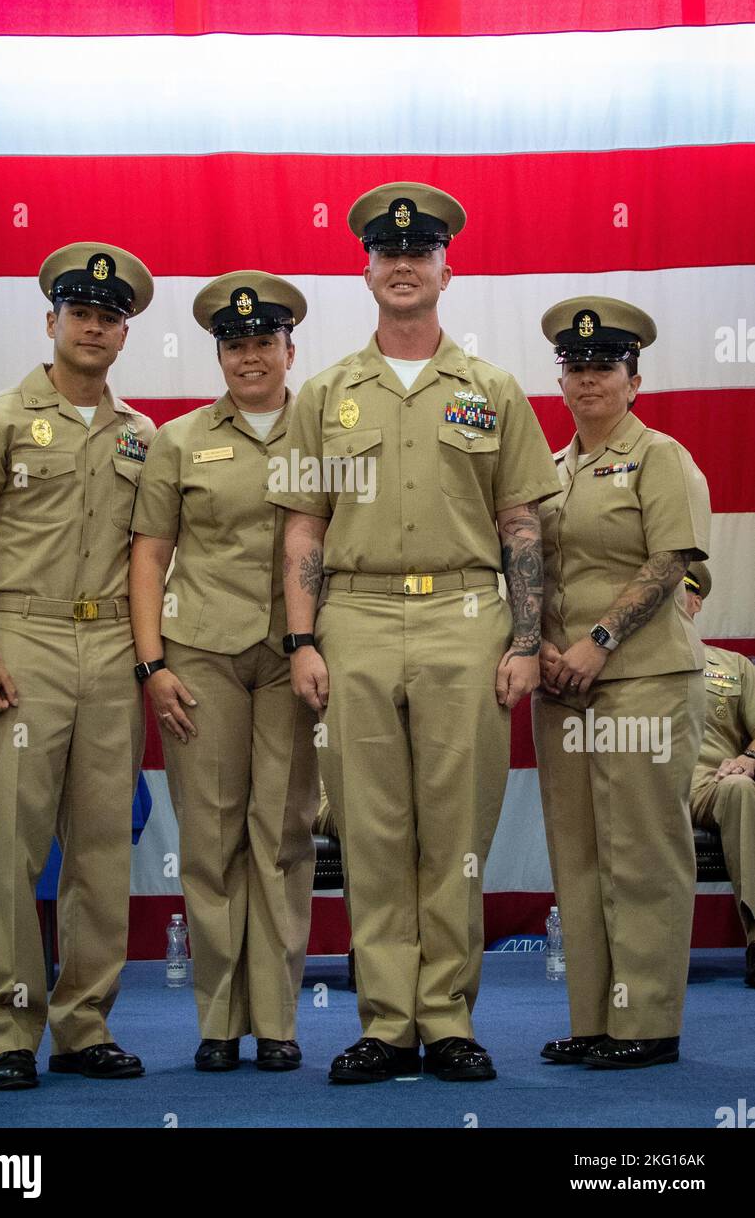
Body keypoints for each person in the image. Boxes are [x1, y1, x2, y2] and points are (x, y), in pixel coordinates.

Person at [266, 182, 561, 1083]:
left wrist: (521, 639)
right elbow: (303, 526)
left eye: (418, 252)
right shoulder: (323, 394)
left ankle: (449, 1020)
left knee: (456, 826)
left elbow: (521, 523)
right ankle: (386, 1023)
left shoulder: (491, 389)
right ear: (365, 268)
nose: (402, 264)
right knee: (371, 829)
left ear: (444, 267)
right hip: (352, 619)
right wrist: (303, 640)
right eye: (387, 254)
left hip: (465, 620)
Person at [0, 242, 155, 1090]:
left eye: (109, 318)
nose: (93, 327)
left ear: (124, 335)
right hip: (19, 643)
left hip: (112, 649)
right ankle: (8, 1031)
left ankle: (84, 1024)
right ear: (51, 321)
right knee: (9, 849)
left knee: (101, 849)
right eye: (80, 313)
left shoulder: (142, 437)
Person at [129, 270, 318, 1073]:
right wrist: (151, 664)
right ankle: (216, 1020)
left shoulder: (325, 431)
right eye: (235, 344)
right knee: (209, 840)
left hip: (291, 656)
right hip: (200, 652)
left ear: (288, 349)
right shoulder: (177, 439)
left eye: (262, 343)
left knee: (280, 837)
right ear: (220, 353)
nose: (249, 357)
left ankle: (275, 1020)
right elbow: (149, 555)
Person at [534, 296, 711, 1070]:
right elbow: (534, 571)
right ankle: (594, 1018)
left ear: (633, 378)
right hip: (563, 685)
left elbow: (670, 562)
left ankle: (646, 1023)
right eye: (574, 367)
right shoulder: (550, 471)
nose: (587, 379)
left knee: (641, 851)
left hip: (640, 678)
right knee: (578, 855)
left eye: (602, 365)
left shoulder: (660, 456)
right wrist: (539, 647)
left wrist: (597, 643)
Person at [684, 561, 755, 987]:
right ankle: (640, 952)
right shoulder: (625, 666)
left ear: (695, 601)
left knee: (743, 790)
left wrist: (749, 757)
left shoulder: (732, 666)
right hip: (646, 782)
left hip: (710, 781)